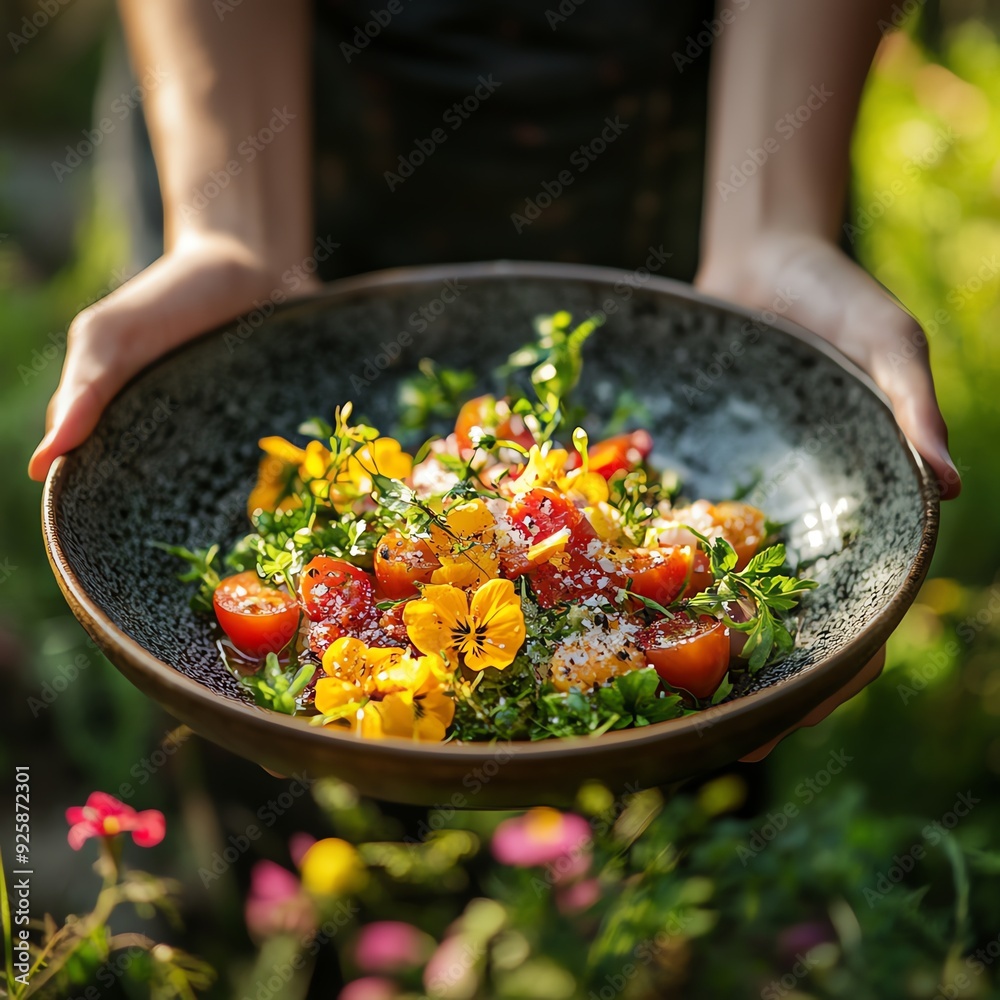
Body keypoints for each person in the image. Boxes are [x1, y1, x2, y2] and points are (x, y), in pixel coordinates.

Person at [27, 0, 960, 751]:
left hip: (685, 107)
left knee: (675, 824)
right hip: (278, 98)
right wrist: (233, 230)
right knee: (283, 819)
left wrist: (773, 227)